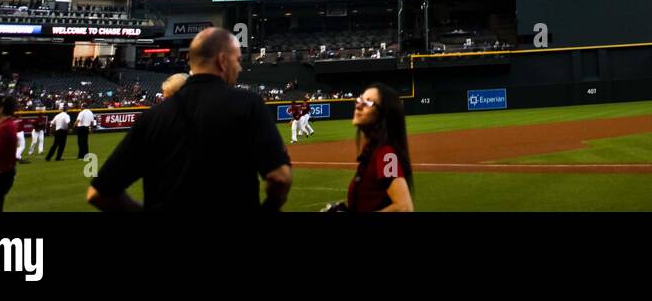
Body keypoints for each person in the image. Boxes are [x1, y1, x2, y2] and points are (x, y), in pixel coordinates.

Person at [86, 28, 292, 212]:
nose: (239, 68)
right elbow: (280, 177)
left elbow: (97, 194)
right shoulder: (248, 104)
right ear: (222, 60)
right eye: (237, 60)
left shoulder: (152, 117)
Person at [333, 83, 414, 213]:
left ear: (383, 114)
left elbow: (404, 208)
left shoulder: (386, 154)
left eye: (369, 102)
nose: (358, 106)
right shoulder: (371, 152)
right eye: (359, 100)